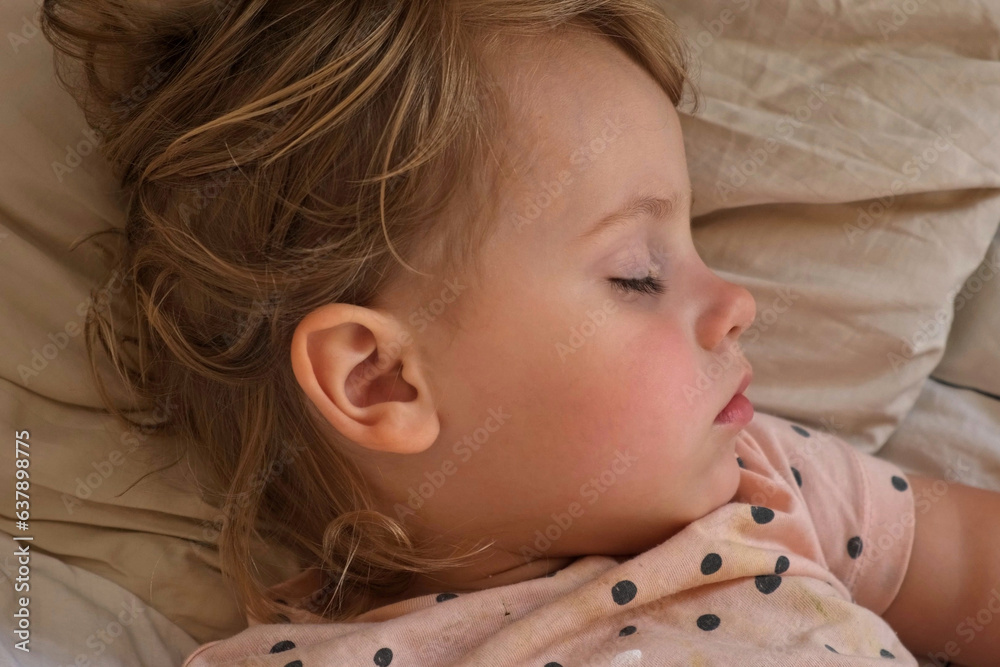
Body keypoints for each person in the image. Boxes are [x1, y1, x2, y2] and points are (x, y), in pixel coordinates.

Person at [39, 0, 1000, 665]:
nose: (736, 301)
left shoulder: (754, 475)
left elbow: (959, 563)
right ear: (380, 380)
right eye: (637, 273)